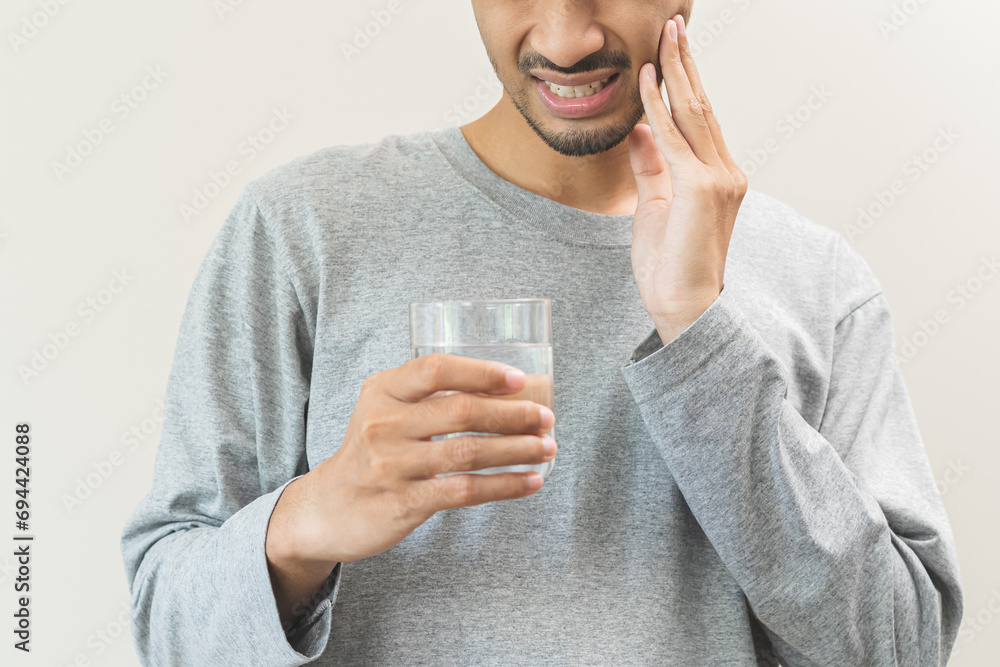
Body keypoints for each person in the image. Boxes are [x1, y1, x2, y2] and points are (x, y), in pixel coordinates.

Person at [120, 3, 964, 665]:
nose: (565, 38)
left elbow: (900, 649)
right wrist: (309, 521)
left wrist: (700, 332)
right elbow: (169, 629)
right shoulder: (302, 231)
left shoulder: (818, 283)